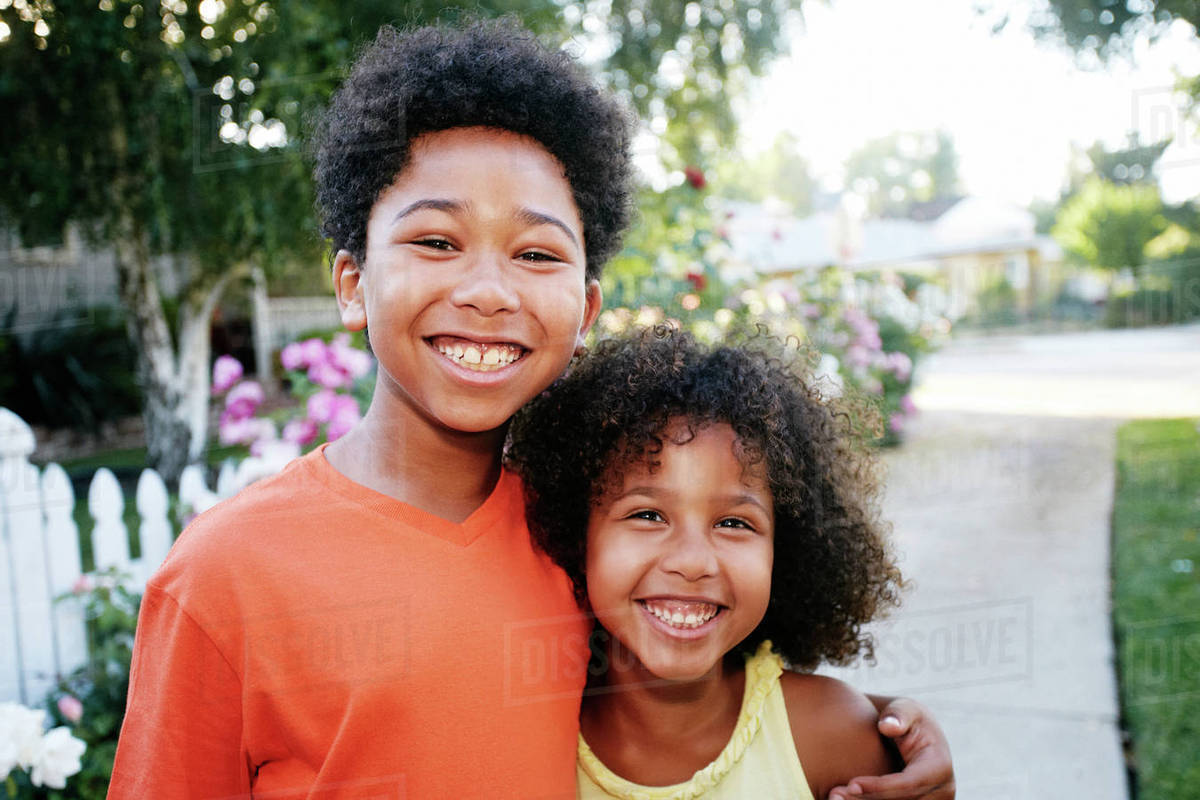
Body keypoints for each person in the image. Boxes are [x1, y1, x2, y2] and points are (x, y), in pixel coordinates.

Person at [109, 19, 953, 799]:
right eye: (436, 241)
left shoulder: (585, 528)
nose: (486, 291)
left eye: (536, 252)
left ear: (586, 312)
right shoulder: (226, 578)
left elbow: (701, 686)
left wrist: (886, 725)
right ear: (353, 283)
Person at [506, 326, 946, 799]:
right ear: (577, 534)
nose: (693, 562)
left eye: (734, 523)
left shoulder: (830, 738)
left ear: (788, 547)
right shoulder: (527, 735)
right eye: (648, 515)